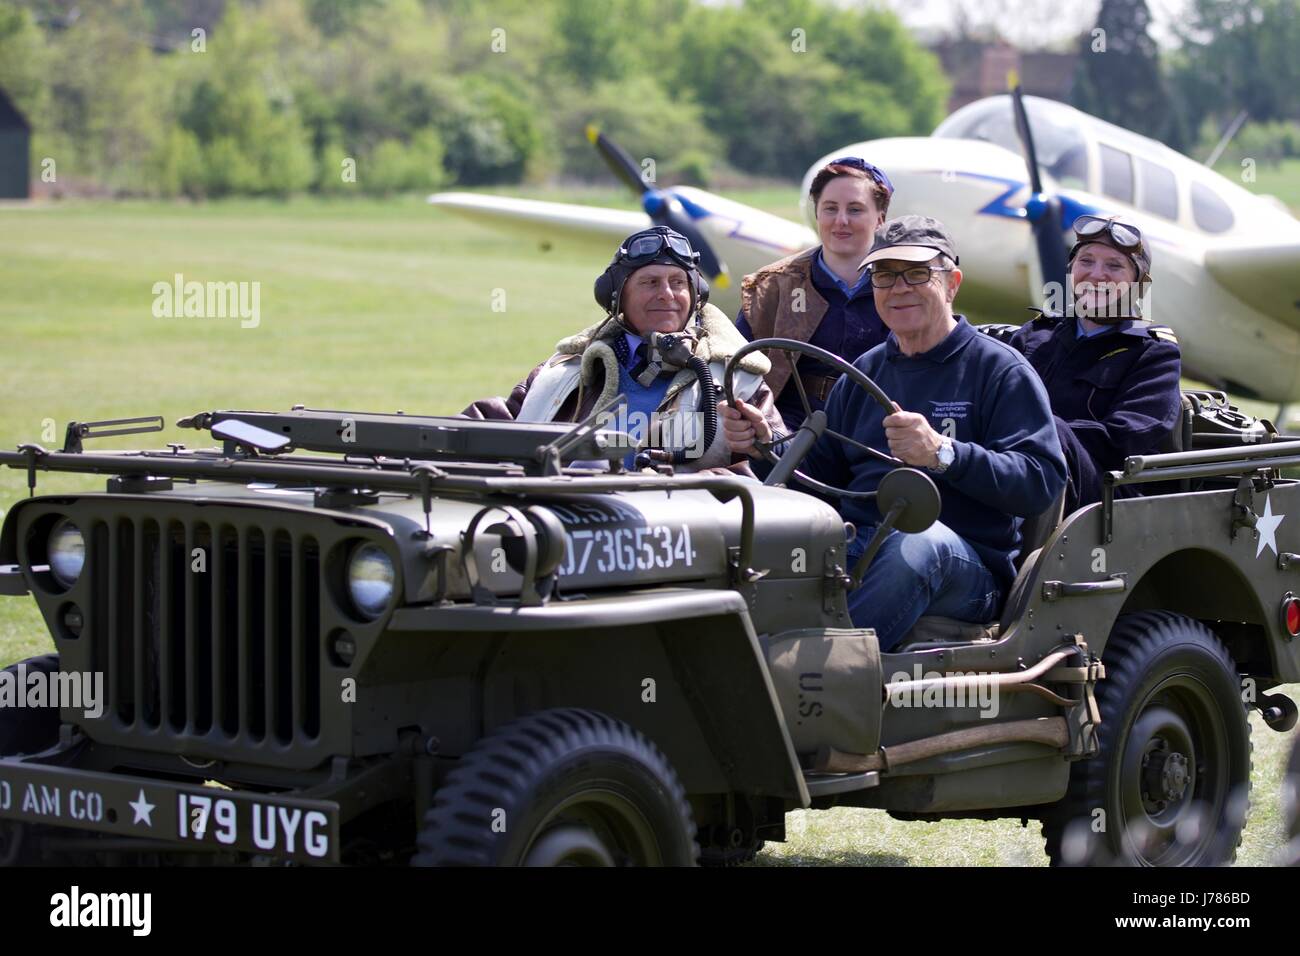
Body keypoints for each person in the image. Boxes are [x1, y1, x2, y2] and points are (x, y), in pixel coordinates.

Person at [720, 216, 1067, 651]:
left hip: (967, 565)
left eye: (917, 274)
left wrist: (944, 453)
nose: (898, 288)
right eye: (884, 276)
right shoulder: (866, 371)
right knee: (741, 535)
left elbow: (1041, 481)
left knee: (919, 543)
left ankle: (830, 678)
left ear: (952, 282)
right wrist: (762, 443)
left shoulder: (999, 370)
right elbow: (819, 472)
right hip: (859, 540)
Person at [463, 226, 784, 473]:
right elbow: (497, 427)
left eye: (677, 282)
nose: (667, 295)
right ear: (615, 297)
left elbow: (787, 465)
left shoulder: (736, 380)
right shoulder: (567, 370)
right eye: (650, 283)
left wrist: (761, 444)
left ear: (696, 295)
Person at [1007, 215, 1181, 512]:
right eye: (1086, 261)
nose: (1097, 275)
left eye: (1114, 265)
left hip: (1101, 496)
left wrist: (1041, 433)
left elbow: (1122, 439)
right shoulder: (1036, 334)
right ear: (1071, 270)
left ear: (1138, 284)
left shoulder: (1153, 353)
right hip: (1012, 467)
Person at [737, 157, 893, 434]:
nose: (841, 221)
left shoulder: (905, 284)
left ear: (879, 219)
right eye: (830, 209)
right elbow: (737, 366)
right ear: (818, 214)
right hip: (790, 427)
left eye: (855, 210)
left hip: (881, 424)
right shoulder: (772, 287)